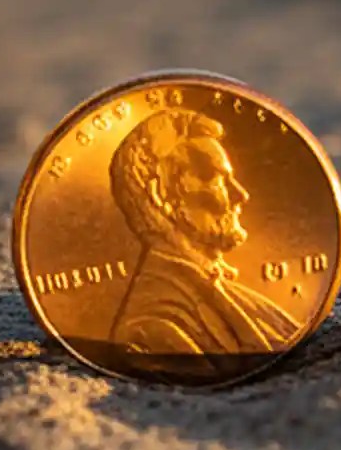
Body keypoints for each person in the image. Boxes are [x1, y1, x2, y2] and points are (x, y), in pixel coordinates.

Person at [108, 108, 300, 367]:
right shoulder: (150, 329)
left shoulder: (244, 299)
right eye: (215, 179)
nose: (241, 194)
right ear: (161, 195)